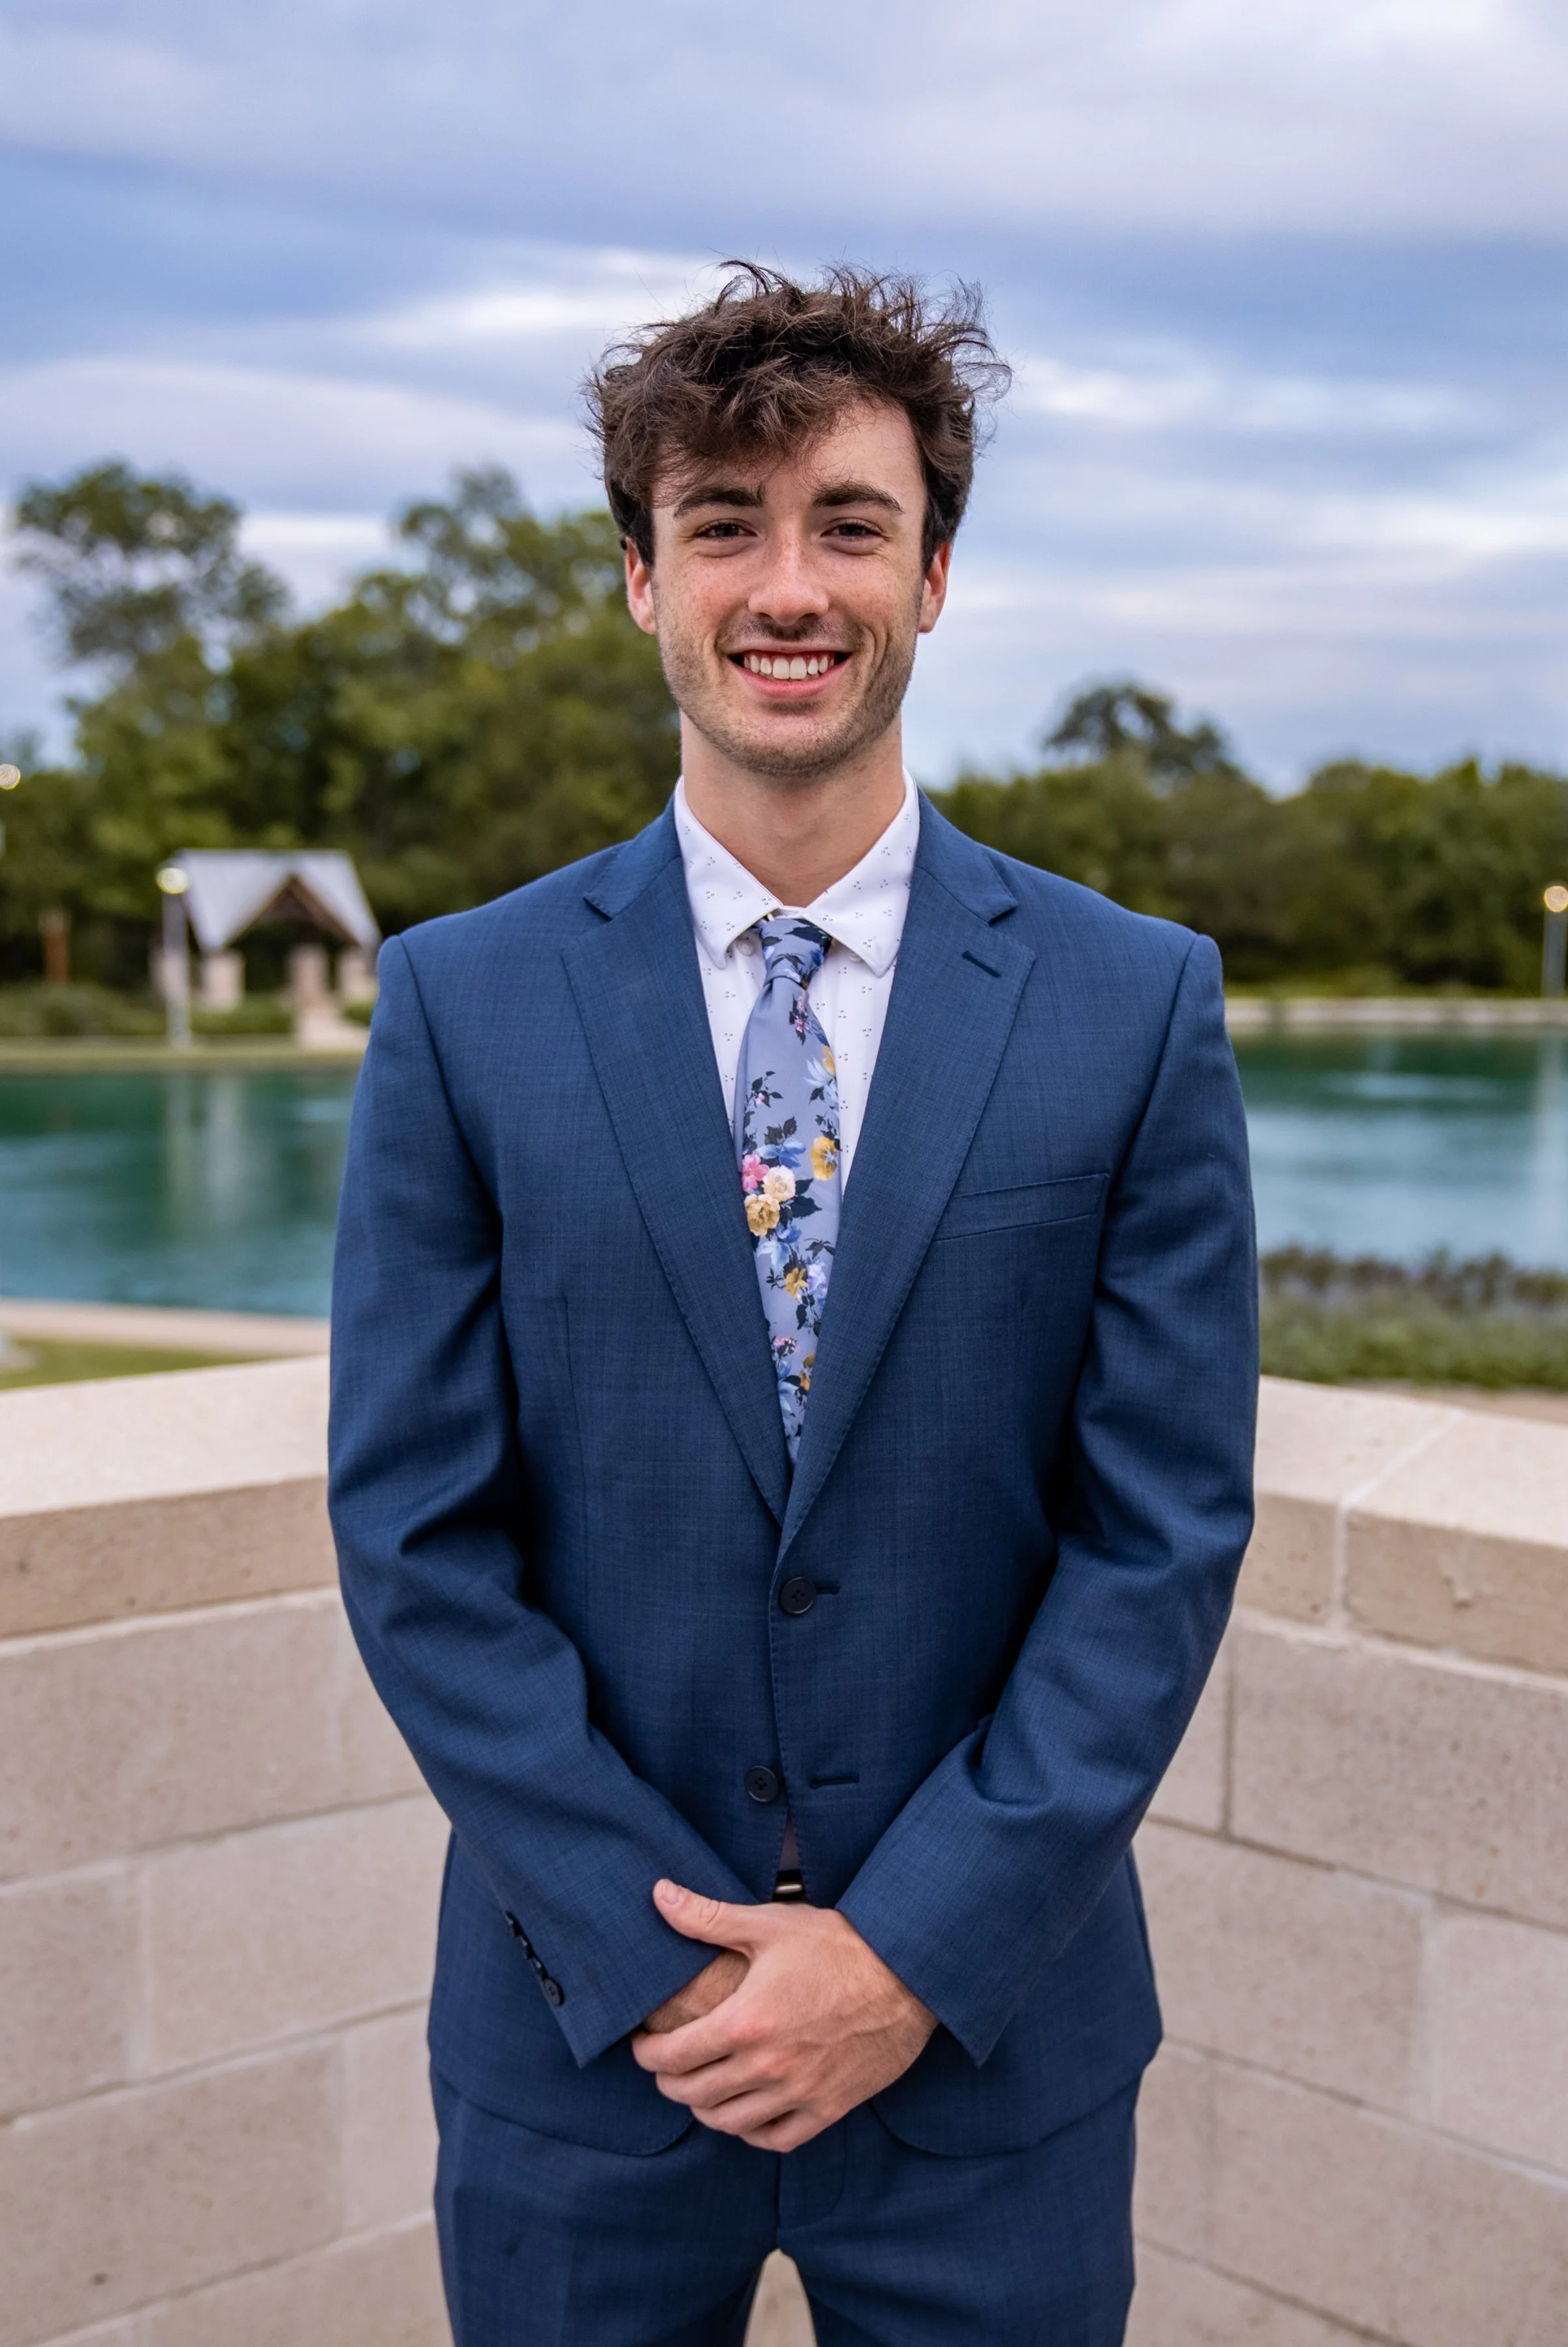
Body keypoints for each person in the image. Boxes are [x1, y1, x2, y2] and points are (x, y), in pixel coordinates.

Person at [328, 264, 1258, 2347]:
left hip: (991, 2060)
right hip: (589, 2052)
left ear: (934, 573)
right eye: (724, 524)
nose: (789, 586)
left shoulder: (1136, 1004)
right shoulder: (461, 1006)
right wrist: (661, 1959)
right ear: (639, 579)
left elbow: (1160, 1537)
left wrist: (905, 1953)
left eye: (849, 523)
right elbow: (415, 1539)